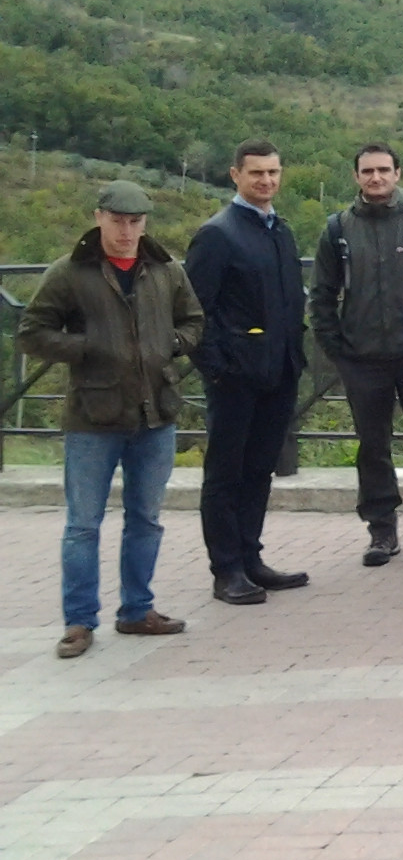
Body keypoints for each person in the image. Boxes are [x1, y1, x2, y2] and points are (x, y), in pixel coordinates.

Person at [21, 182, 203, 658]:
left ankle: (137, 610)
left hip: (155, 412)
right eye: (118, 220)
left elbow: (194, 320)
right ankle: (79, 621)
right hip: (92, 415)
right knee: (83, 524)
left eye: (135, 221)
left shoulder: (166, 270)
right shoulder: (69, 272)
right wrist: (87, 347)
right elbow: (31, 331)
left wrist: (172, 344)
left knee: (146, 520)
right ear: (99, 217)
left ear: (145, 223)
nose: (126, 231)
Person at [185, 138, 310, 607]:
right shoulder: (217, 234)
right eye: (257, 172)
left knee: (259, 470)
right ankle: (227, 569)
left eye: (273, 172)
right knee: (225, 473)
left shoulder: (281, 230)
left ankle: (251, 558)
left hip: (278, 372)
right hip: (235, 378)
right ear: (235, 174)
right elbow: (194, 312)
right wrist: (218, 370)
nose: (266, 180)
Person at [310, 143, 403, 568]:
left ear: (398, 173)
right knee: (372, 448)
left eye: (384, 169)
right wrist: (336, 349)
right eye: (367, 171)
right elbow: (321, 295)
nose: (376, 177)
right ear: (356, 176)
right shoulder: (338, 228)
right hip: (362, 358)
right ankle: (382, 531)